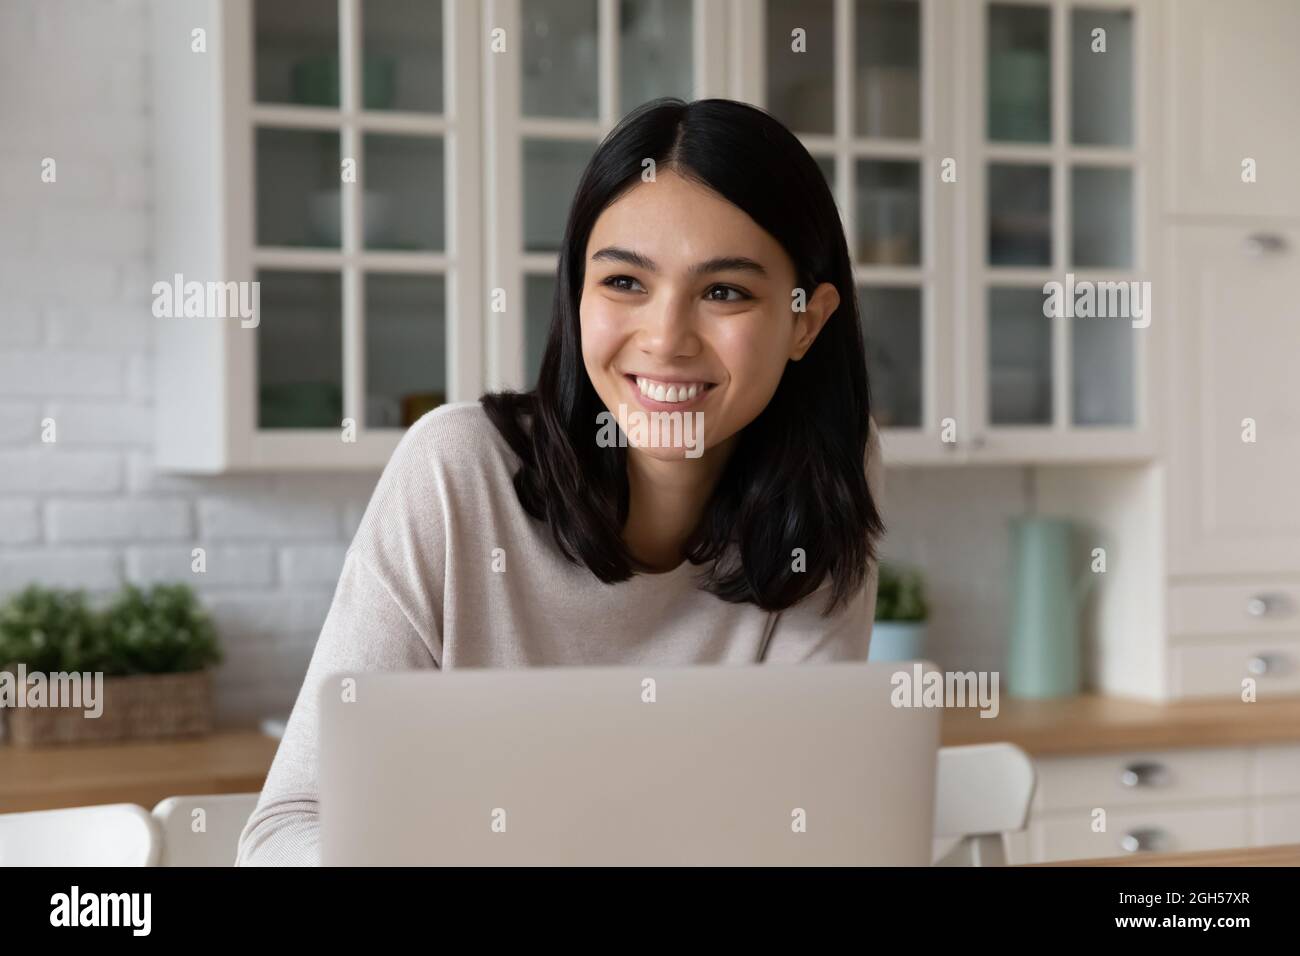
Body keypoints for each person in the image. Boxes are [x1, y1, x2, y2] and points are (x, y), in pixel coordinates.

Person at [237, 98, 886, 866]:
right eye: (624, 282)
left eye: (724, 292)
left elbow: (792, 830)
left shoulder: (822, 485)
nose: (666, 338)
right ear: (577, 296)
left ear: (807, 321)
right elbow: (285, 833)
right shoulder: (456, 473)